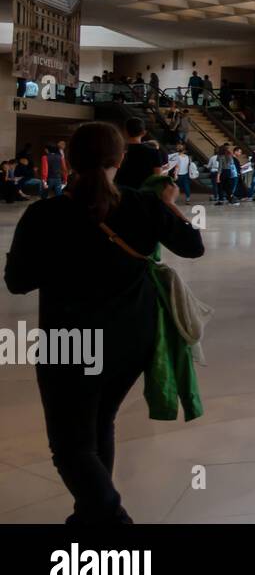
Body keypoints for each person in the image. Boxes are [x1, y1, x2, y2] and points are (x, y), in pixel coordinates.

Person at [4, 121, 204, 523]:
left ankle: (110, 517)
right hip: (132, 339)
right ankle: (91, 513)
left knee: (71, 446)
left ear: (70, 161)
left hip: (70, 341)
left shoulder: (44, 214)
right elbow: (193, 246)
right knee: (99, 424)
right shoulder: (142, 205)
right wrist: (167, 204)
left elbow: (17, 282)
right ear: (121, 159)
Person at [114, 118, 163, 190]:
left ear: (124, 132)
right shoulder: (153, 152)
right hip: (143, 194)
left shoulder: (116, 151)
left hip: (121, 193)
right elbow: (157, 178)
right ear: (143, 133)